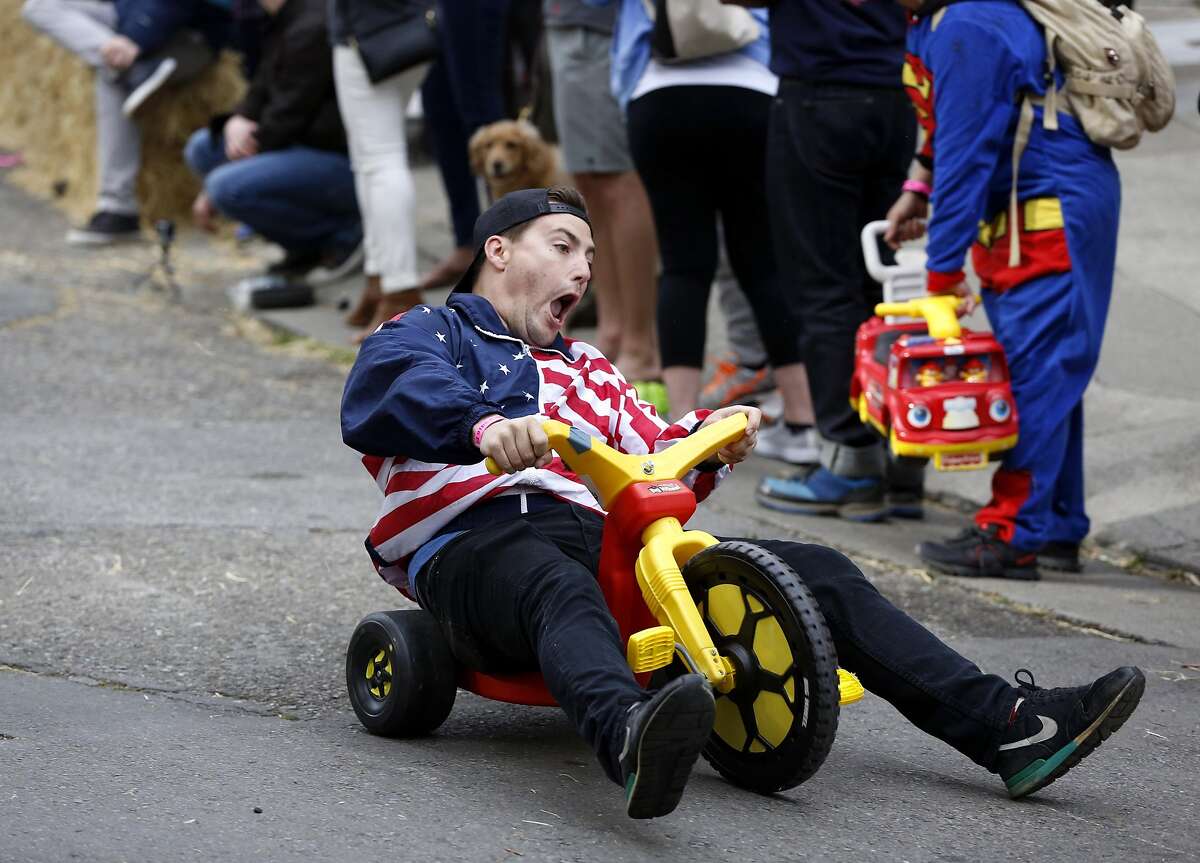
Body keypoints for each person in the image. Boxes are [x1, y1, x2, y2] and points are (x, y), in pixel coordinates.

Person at [340, 186, 1145, 819]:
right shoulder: (432, 333)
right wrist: (486, 424)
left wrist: (711, 442)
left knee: (817, 572)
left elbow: (655, 467)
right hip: (481, 545)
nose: (584, 269)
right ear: (498, 249)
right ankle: (629, 736)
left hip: (609, 543)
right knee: (550, 576)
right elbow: (388, 392)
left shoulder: (590, 369)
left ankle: (1009, 724)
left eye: (590, 254)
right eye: (564, 247)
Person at [887, 0, 1122, 579]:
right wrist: (919, 186)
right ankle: (1056, 525)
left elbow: (967, 156)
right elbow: (949, 124)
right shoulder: (940, 18)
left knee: (1039, 369)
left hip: (1047, 208)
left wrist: (941, 274)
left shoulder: (969, 23)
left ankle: (1012, 531)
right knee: (1047, 367)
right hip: (1032, 206)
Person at [598, 0, 817, 463]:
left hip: (661, 93)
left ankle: (680, 431)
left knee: (682, 266)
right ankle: (804, 421)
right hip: (754, 88)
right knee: (763, 263)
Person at [751, 0, 927, 519]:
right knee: (881, 284)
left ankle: (849, 462)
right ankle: (901, 455)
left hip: (820, 91)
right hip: (895, 93)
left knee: (825, 285)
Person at [21, 0, 228, 246]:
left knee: (110, 76)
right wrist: (118, 42)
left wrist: (137, 36)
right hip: (129, 15)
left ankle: (118, 208)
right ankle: (122, 61)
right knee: (40, 7)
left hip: (189, 31)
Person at [185, 0, 362, 285]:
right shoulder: (288, 16)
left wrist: (211, 187)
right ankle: (298, 242)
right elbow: (262, 86)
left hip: (335, 160)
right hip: (301, 143)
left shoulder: (311, 25)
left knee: (225, 188)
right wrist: (238, 119)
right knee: (204, 147)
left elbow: (287, 117)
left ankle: (340, 234)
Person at [543, 0, 664, 411]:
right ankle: (613, 331)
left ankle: (640, 346)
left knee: (618, 179)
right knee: (590, 181)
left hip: (603, 24)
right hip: (571, 19)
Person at [329, 0, 430, 342]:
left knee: (380, 159)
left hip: (366, 30)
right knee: (370, 161)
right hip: (407, 23)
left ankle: (400, 290)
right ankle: (379, 278)